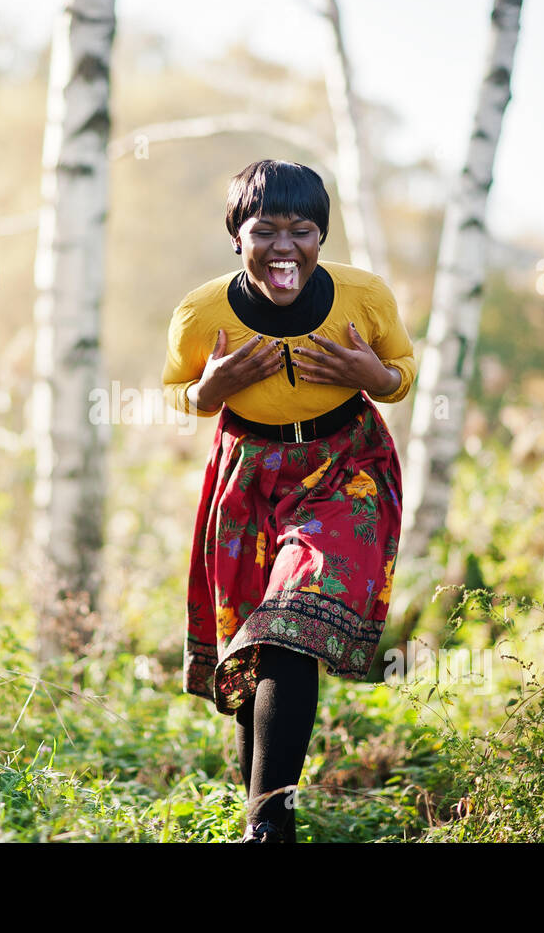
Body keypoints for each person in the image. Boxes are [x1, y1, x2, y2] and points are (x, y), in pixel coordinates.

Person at [161, 159, 417, 843]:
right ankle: (264, 818)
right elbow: (175, 390)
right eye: (264, 230)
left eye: (300, 231)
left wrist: (378, 375)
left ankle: (270, 826)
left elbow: (404, 371)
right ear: (236, 237)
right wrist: (207, 392)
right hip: (248, 472)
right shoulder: (200, 312)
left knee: (290, 623)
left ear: (321, 238)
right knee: (252, 642)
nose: (283, 247)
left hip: (346, 469)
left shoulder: (363, 297)